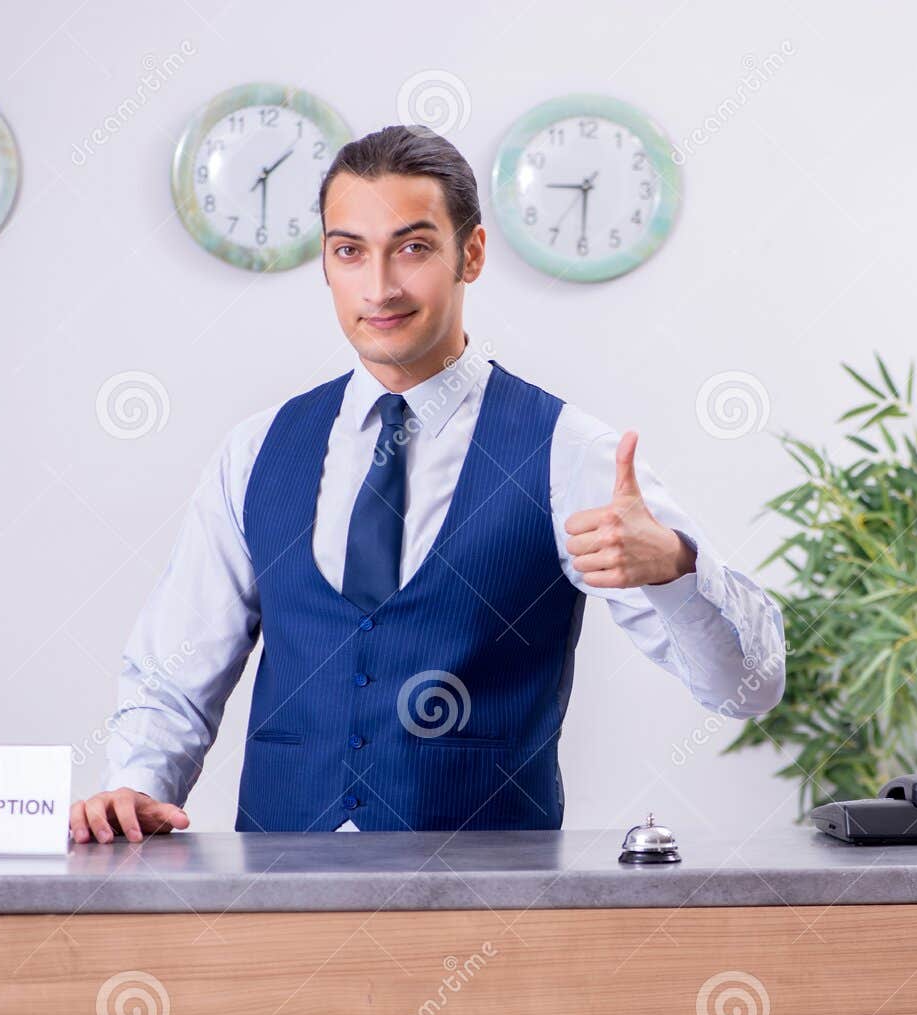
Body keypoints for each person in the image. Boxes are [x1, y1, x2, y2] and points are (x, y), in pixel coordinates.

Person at [72, 125, 784, 843]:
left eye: (413, 248)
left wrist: (676, 570)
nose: (379, 287)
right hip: (278, 900)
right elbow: (173, 671)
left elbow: (749, 689)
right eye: (350, 251)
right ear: (325, 262)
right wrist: (135, 788)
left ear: (470, 255)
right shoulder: (256, 452)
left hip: (489, 910)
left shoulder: (570, 453)